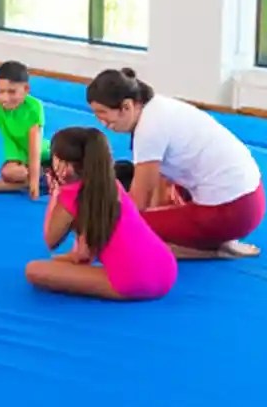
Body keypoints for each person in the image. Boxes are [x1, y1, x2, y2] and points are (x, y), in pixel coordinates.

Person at [86, 68, 266, 259]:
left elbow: (138, 202)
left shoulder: (148, 131)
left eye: (103, 113)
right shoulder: (158, 106)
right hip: (250, 200)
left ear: (127, 106)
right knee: (153, 204)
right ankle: (216, 240)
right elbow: (159, 183)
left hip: (232, 212)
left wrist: (98, 220)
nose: (102, 122)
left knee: (124, 230)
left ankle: (212, 249)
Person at [24, 127, 177, 300]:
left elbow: (50, 240)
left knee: (34, 270)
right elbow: (84, 251)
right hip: (166, 270)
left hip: (134, 282)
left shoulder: (70, 195)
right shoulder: (113, 185)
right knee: (62, 262)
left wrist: (57, 191)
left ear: (62, 163)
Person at [0, 61, 52, 198]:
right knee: (9, 173)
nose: (5, 98)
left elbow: (34, 146)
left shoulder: (34, 107)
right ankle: (42, 178)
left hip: (42, 152)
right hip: (17, 154)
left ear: (26, 89)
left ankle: (42, 177)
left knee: (68, 163)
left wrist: (34, 183)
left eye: (12, 92)